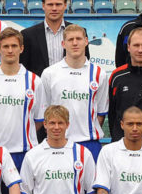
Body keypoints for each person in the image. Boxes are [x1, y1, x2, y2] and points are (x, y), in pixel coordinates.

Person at [19, 105, 101, 194]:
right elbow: (23, 191)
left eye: (60, 123)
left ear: (67, 125)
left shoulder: (83, 153)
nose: (56, 127)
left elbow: (92, 189)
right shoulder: (33, 154)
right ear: (45, 124)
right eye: (52, 123)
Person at [0, 28, 46, 170]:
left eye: (14, 46)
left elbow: (38, 120)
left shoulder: (34, 81)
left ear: (21, 48)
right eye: (6, 46)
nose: (10, 50)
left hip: (25, 152)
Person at [39, 24, 108, 159]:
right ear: (63, 44)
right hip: (58, 143)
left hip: (89, 143)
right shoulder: (49, 73)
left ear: (86, 41)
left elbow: (101, 113)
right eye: (70, 40)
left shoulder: (99, 74)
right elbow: (44, 111)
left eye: (79, 39)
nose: (75, 43)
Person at [19, 0, 84, 76]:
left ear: (65, 5)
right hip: (39, 84)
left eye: (58, 4)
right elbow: (23, 69)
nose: (54, 8)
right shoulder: (27, 35)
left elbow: (85, 65)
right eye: (50, 4)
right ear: (43, 6)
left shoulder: (80, 33)